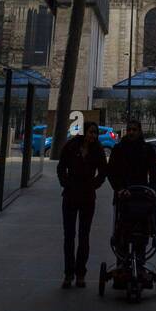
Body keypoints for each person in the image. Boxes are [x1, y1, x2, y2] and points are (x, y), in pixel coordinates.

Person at [56, 121, 108, 289]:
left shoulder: (98, 150)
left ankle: (80, 273)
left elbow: (103, 171)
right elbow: (61, 167)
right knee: (69, 236)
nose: (93, 136)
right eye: (91, 132)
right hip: (71, 195)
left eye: (95, 133)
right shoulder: (71, 146)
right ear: (84, 132)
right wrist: (65, 183)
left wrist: (94, 184)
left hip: (87, 196)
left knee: (84, 236)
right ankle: (68, 273)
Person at [107, 119, 156, 196]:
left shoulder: (148, 149)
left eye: (134, 130)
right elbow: (111, 171)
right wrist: (119, 188)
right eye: (129, 130)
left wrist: (152, 188)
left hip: (142, 191)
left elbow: (154, 171)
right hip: (123, 193)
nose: (131, 132)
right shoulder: (118, 149)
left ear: (139, 131)